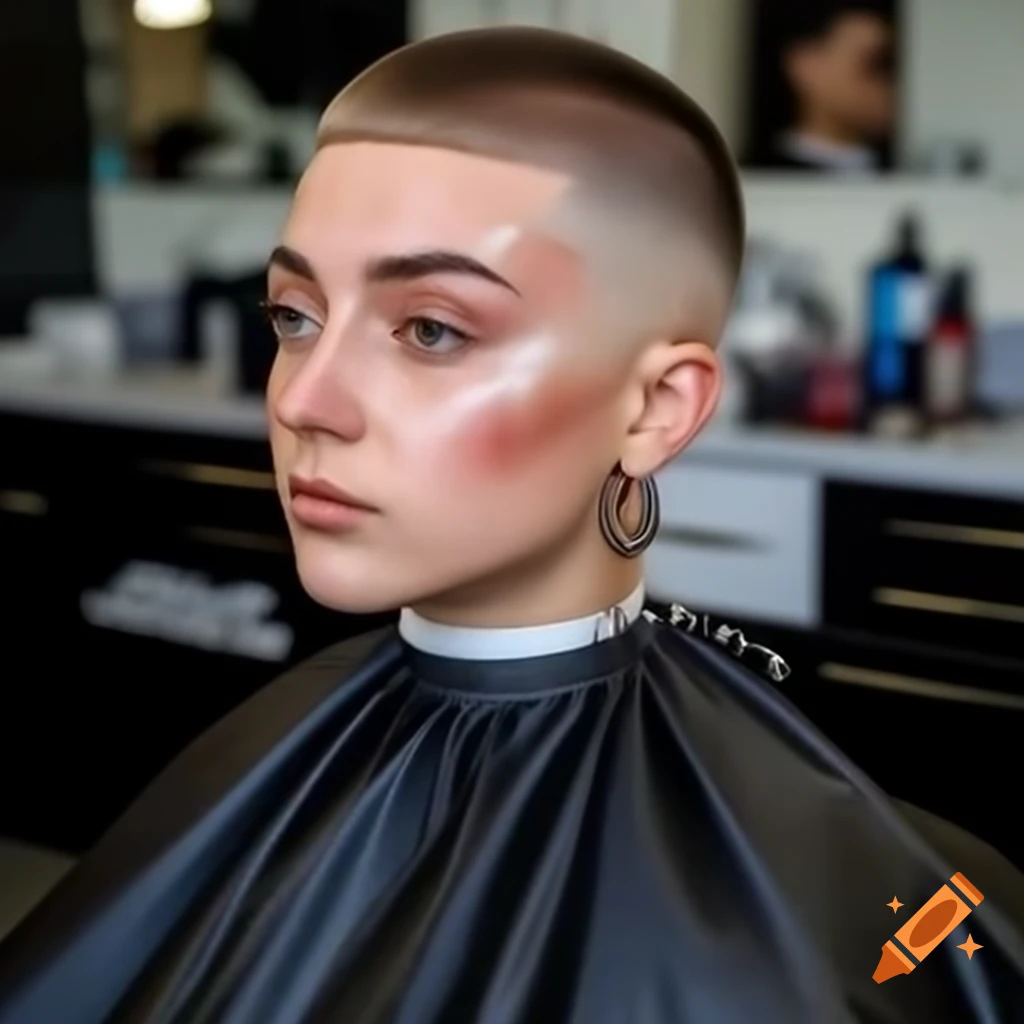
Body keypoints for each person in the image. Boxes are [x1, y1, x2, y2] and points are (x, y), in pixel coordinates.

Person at [1, 26, 1023, 1024]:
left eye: (431, 328)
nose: (306, 399)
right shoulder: (254, 751)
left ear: (655, 410)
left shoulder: (845, 912)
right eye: (294, 316)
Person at [750, 2, 897, 173]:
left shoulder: (905, 173)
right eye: (877, 64)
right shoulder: (755, 175)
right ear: (805, 65)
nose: (891, 83)